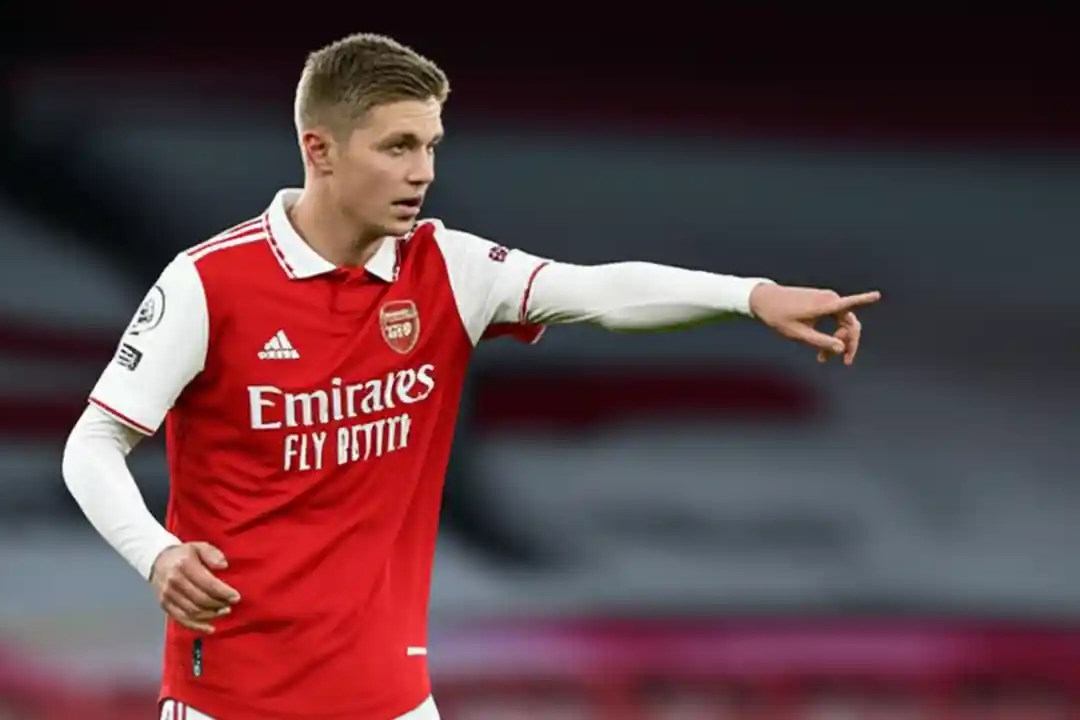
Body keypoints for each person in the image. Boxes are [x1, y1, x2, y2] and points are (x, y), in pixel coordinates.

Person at [61, 32, 881, 720]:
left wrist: (749, 297)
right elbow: (93, 443)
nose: (423, 172)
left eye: (430, 146)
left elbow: (597, 290)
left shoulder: (448, 268)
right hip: (230, 703)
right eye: (397, 147)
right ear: (320, 150)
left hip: (392, 700)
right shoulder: (209, 284)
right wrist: (157, 555)